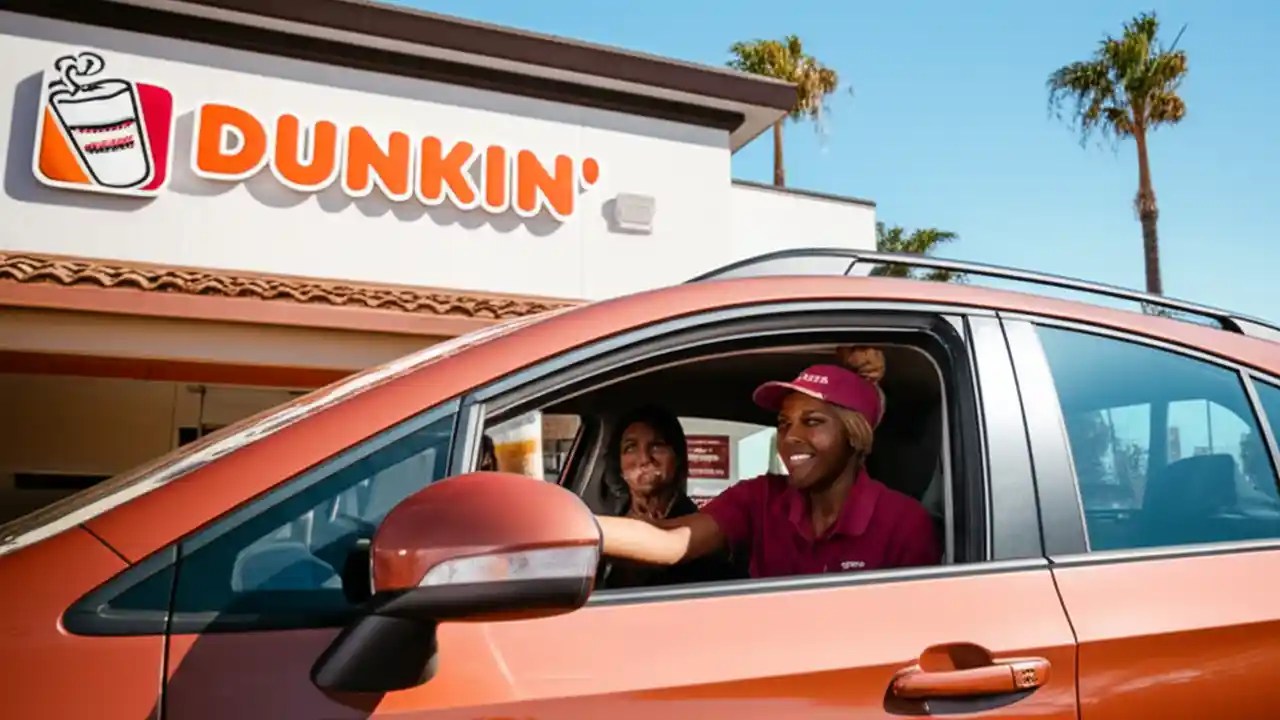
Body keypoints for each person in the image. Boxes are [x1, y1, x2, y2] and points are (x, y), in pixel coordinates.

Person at [596, 347, 940, 580]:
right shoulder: (760, 499)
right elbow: (670, 541)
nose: (790, 437)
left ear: (854, 435)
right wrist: (574, 530)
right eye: (784, 423)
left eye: (813, 421)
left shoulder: (905, 525)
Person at [598, 405, 744, 588]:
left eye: (657, 446)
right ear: (618, 465)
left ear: (678, 459)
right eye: (630, 448)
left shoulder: (698, 535)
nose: (644, 458)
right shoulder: (612, 519)